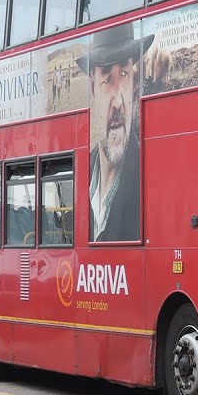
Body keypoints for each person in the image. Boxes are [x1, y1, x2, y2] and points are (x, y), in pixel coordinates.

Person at [78, 24, 155, 243]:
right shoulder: (80, 174)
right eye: (107, 79)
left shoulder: (147, 177)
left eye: (124, 74)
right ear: (92, 87)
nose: (118, 101)